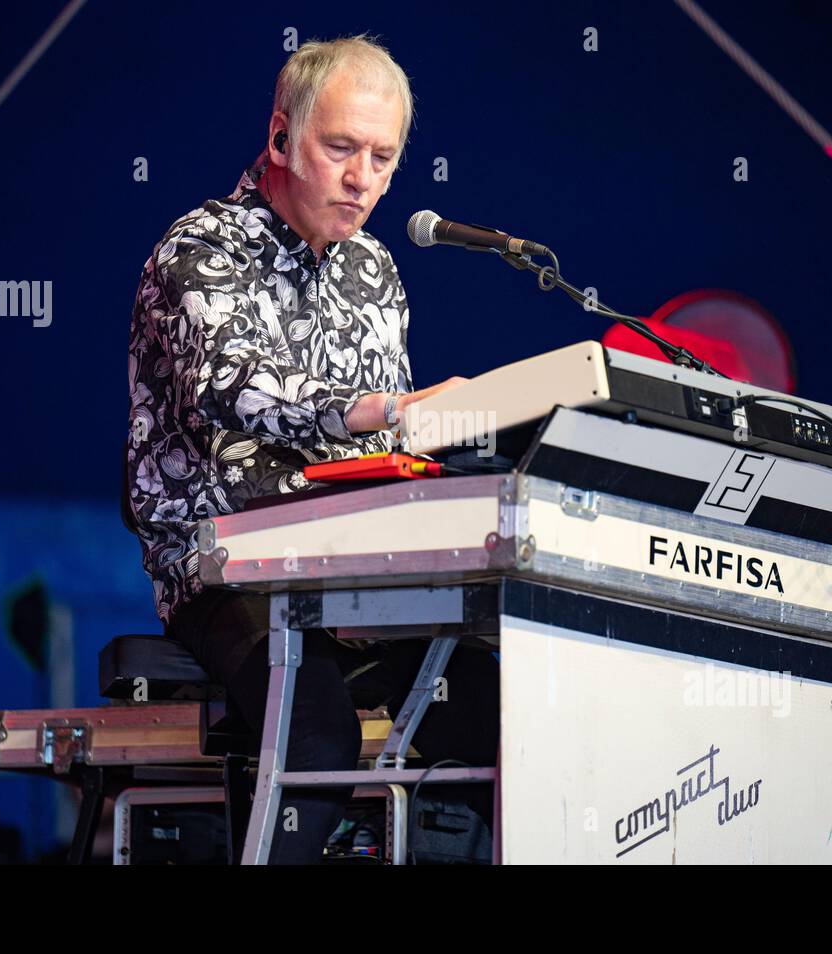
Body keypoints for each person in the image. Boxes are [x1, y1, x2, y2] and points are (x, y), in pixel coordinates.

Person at [125, 34, 498, 863]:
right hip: (227, 569)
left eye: (383, 157)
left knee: (497, 705)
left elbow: (387, 442)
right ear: (281, 138)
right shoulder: (200, 249)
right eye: (340, 148)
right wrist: (380, 411)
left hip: (364, 571)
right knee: (317, 728)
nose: (362, 177)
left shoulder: (376, 272)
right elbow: (236, 387)